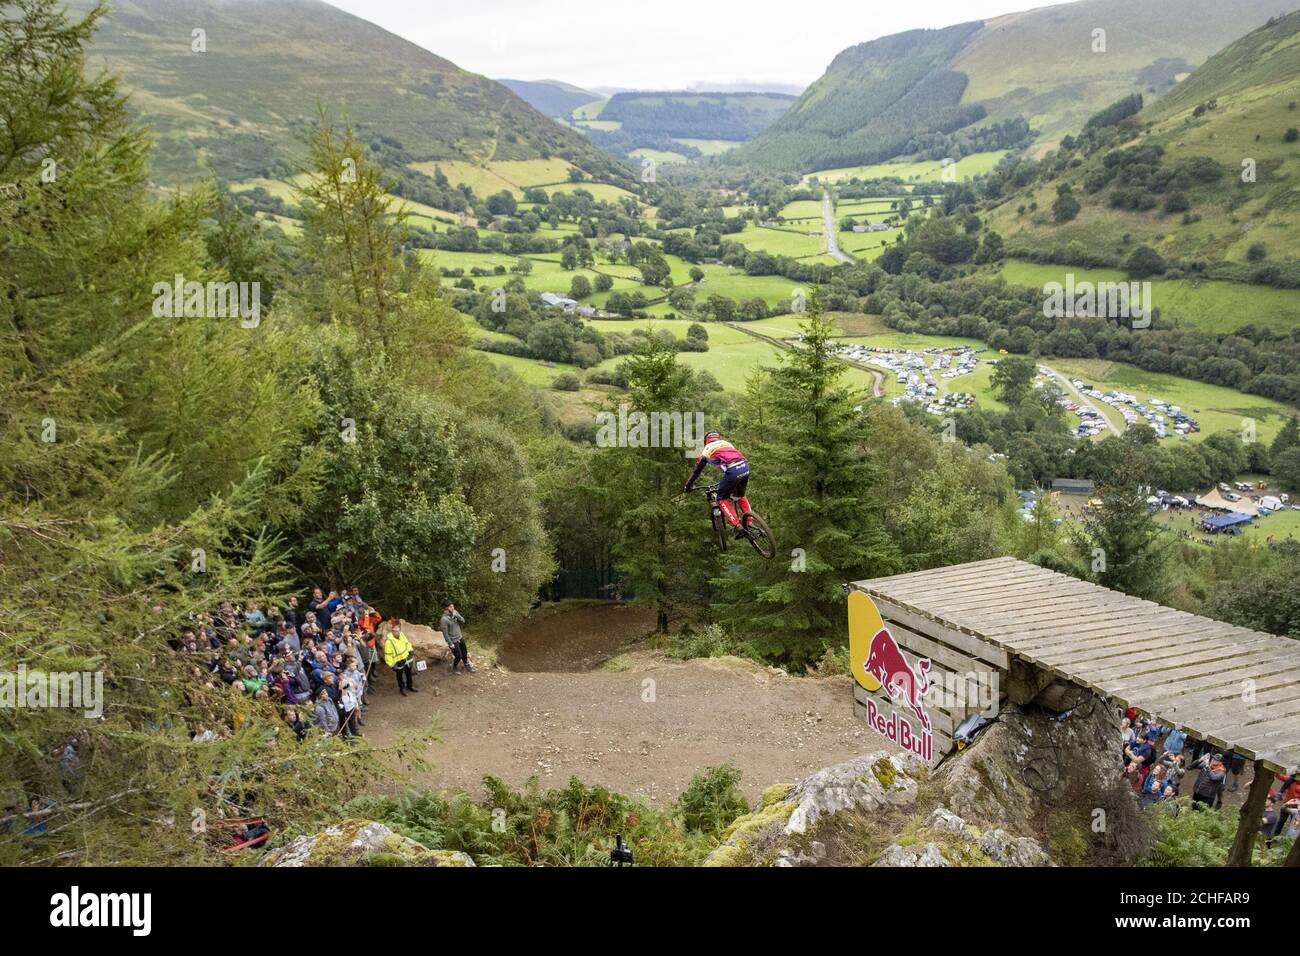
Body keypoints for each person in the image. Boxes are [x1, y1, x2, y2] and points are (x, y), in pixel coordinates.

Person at [683, 430, 753, 538]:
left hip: (732, 471)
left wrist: (688, 486)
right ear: (718, 438)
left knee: (721, 499)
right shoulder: (726, 443)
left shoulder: (705, 451)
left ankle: (738, 526)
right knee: (740, 496)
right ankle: (750, 522)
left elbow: (696, 471)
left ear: (706, 441)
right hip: (745, 466)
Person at [384, 619, 417, 695]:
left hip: (406, 658)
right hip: (398, 662)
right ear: (392, 631)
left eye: (398, 630)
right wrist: (392, 665)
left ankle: (410, 686)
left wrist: (410, 650)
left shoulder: (401, 635)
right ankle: (402, 688)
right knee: (400, 676)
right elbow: (388, 655)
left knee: (409, 674)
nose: (398, 632)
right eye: (396, 630)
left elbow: (407, 643)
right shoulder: (389, 642)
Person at [440, 602, 473, 673]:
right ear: (446, 608)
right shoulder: (444, 619)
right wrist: (450, 643)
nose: (453, 608)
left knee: (464, 652)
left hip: (460, 637)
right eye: (451, 607)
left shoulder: (455, 613)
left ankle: (466, 664)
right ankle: (454, 666)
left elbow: (463, 621)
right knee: (458, 656)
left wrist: (457, 616)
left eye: (453, 607)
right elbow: (445, 634)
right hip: (453, 640)